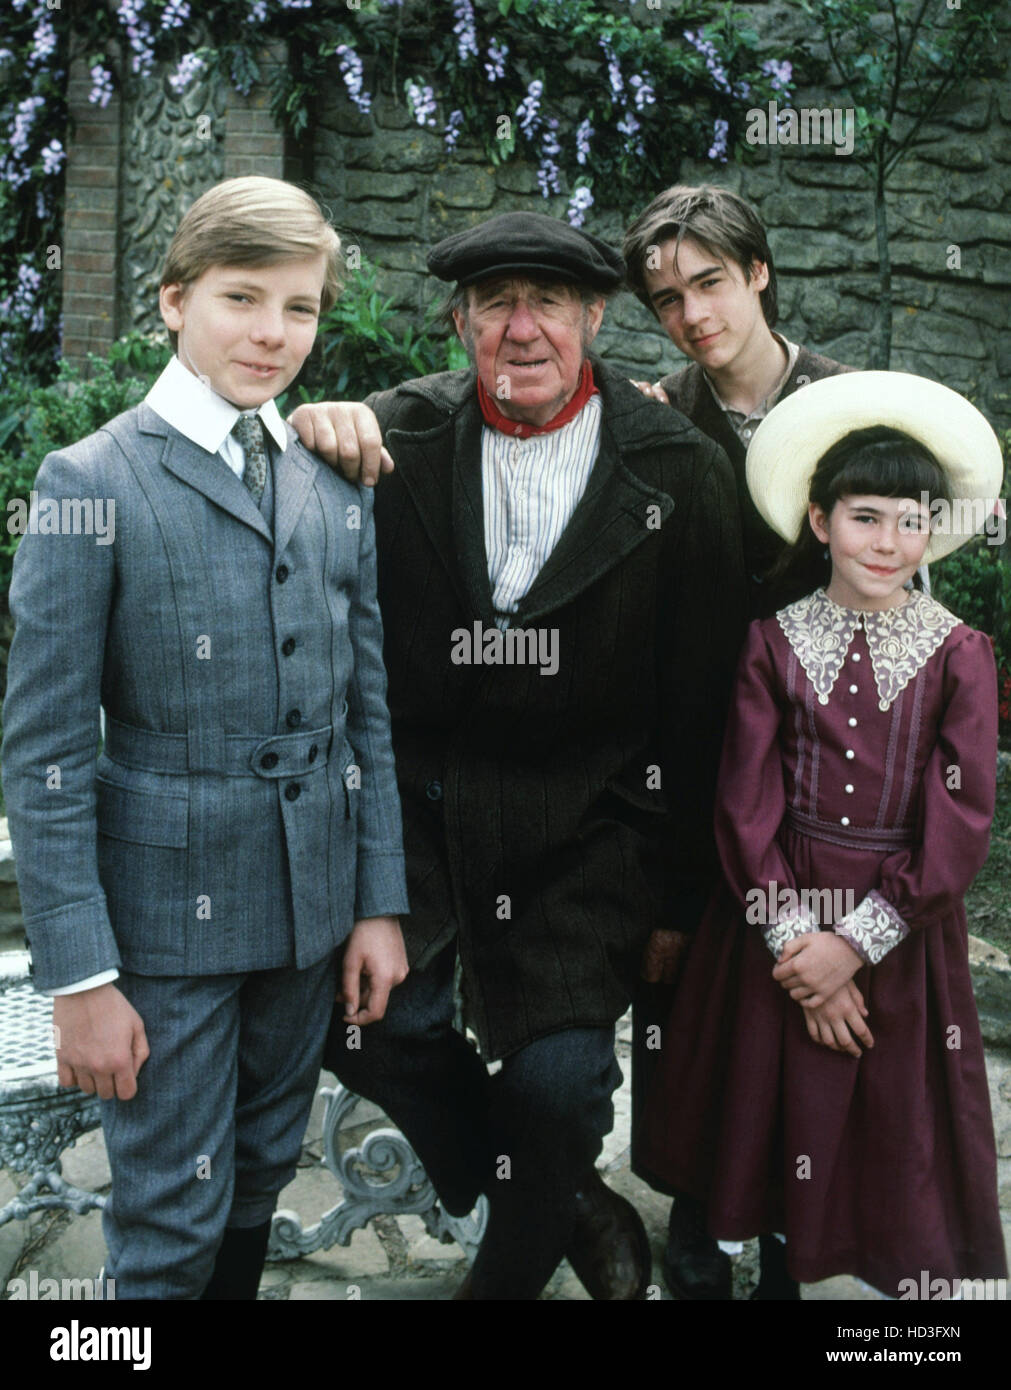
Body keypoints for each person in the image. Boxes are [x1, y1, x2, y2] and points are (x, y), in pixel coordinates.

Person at [290, 210, 749, 1299]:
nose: (524, 326)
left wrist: (681, 902)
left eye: (551, 301)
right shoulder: (398, 437)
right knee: (356, 1021)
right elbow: (273, 473)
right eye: (496, 301)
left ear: (595, 316)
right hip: (425, 809)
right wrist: (303, 420)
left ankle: (515, 1249)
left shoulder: (678, 471)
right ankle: (571, 1199)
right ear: (459, 321)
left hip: (592, 829)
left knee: (555, 1087)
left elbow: (701, 713)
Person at [1, 176, 409, 1300]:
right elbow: (41, 753)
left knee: (256, 1178)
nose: (274, 334)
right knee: (169, 1216)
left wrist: (376, 900)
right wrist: (79, 974)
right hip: (160, 940)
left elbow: (364, 711)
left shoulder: (332, 480)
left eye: (302, 306)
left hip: (309, 918)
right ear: (174, 301)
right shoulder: (90, 482)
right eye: (243, 298)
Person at [637, 370, 1007, 1299]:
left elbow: (959, 820)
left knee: (874, 1110)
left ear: (934, 531)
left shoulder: (958, 653)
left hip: (898, 928)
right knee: (762, 1093)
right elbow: (743, 800)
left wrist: (853, 946)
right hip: (775, 905)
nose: (887, 541)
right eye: (864, 517)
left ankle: (843, 1273)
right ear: (818, 522)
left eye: (910, 520)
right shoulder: (773, 640)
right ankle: (757, 1261)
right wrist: (796, 939)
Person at [622, 183, 854, 617]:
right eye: (669, 299)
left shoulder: (846, 399)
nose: (693, 315)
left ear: (757, 272)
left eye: (709, 282)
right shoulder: (662, 412)